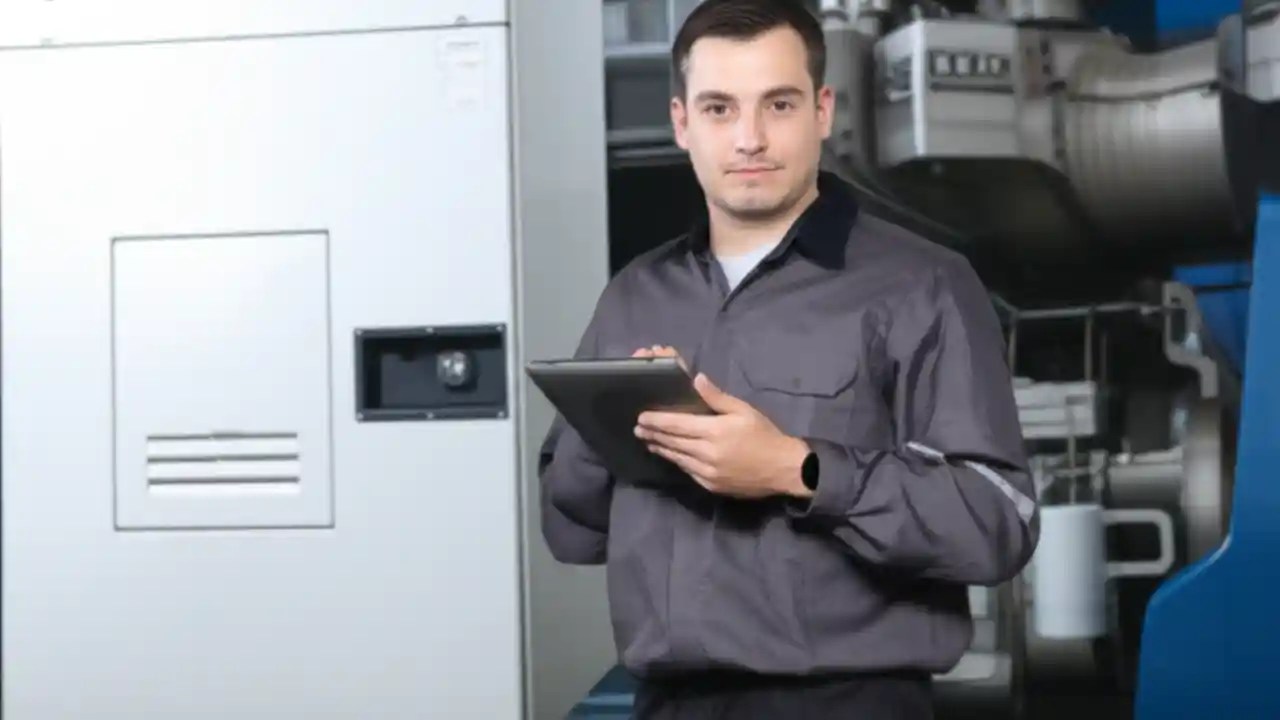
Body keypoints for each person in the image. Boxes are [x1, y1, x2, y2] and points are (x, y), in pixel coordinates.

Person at [537, 0, 1039, 717]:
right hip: (670, 704)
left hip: (846, 703)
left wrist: (797, 470)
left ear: (822, 110)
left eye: (778, 104)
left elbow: (998, 521)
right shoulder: (634, 295)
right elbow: (570, 531)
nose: (749, 138)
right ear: (682, 123)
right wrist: (620, 419)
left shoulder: (921, 285)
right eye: (719, 109)